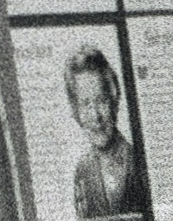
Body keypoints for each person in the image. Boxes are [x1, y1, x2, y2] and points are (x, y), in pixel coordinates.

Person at [65, 44, 153, 220]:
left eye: (101, 101)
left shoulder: (136, 162)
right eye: (85, 104)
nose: (95, 116)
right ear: (75, 111)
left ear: (114, 100)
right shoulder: (83, 168)